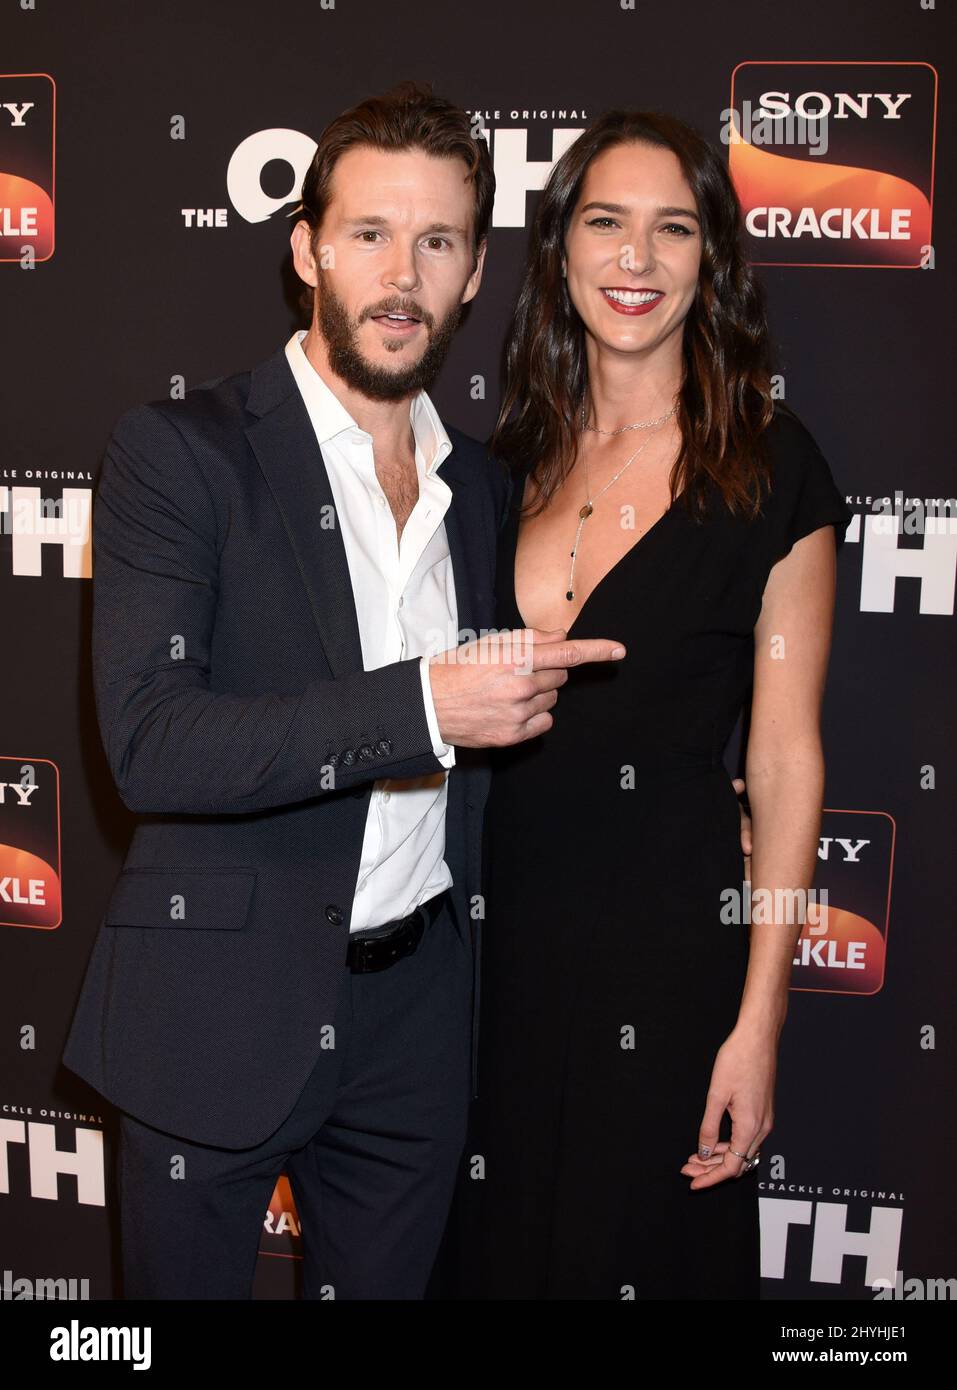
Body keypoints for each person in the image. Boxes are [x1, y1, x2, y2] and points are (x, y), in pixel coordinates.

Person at [61, 81, 625, 1300]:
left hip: (415, 1026)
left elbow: (508, 747)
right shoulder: (181, 453)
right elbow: (152, 742)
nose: (402, 276)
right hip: (215, 1013)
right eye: (370, 233)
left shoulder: (483, 489)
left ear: (475, 273)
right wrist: (421, 706)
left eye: (438, 242)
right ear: (307, 248)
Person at [441, 108, 853, 1299]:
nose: (636, 258)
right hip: (486, 955)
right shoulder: (499, 466)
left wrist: (760, 1022)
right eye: (606, 223)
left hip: (667, 958)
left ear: (710, 258)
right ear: (560, 248)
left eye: (673, 228)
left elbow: (785, 760)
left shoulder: (772, 465)